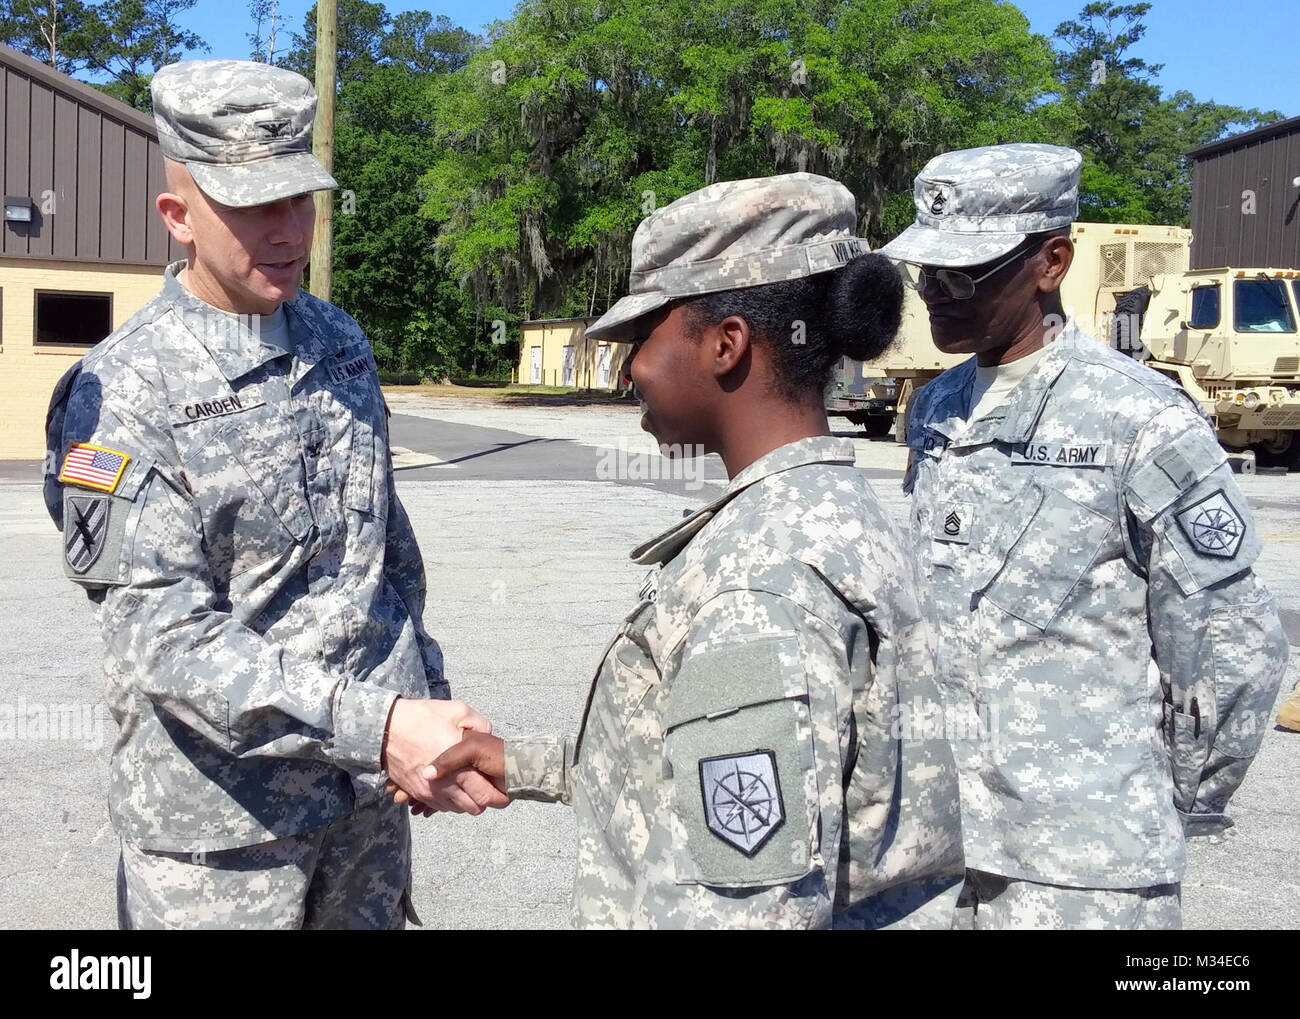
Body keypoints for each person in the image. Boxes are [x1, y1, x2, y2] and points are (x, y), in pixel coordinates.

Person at [392, 173, 965, 929]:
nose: (630, 370)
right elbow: (733, 766)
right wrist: (525, 761)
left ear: (727, 345)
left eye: (643, 337)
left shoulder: (760, 587)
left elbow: (740, 899)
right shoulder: (831, 513)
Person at [43, 59, 503, 930]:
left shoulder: (337, 339)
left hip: (364, 808)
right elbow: (162, 635)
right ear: (177, 216)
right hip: (223, 839)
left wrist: (424, 703)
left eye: (302, 199)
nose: (290, 230)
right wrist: (379, 722)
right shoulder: (122, 391)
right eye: (255, 207)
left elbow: (383, 549)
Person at [881, 143, 1290, 929]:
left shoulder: (1141, 418)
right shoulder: (936, 408)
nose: (935, 291)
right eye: (926, 271)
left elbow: (1233, 644)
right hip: (938, 851)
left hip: (1083, 871)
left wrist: (1154, 796)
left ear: (1051, 262)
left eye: (963, 272)